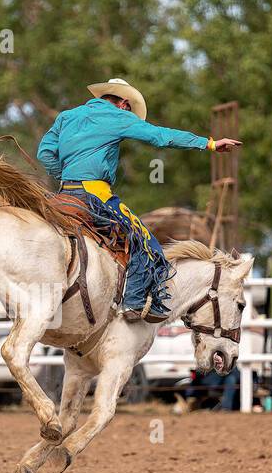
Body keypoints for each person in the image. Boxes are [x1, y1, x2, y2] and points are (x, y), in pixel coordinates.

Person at [36, 77, 240, 323]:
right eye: (130, 108)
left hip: (64, 195)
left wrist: (67, 175)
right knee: (146, 243)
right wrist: (208, 144)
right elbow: (160, 136)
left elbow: (45, 153)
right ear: (123, 103)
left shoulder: (65, 117)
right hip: (95, 196)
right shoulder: (118, 117)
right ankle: (134, 302)